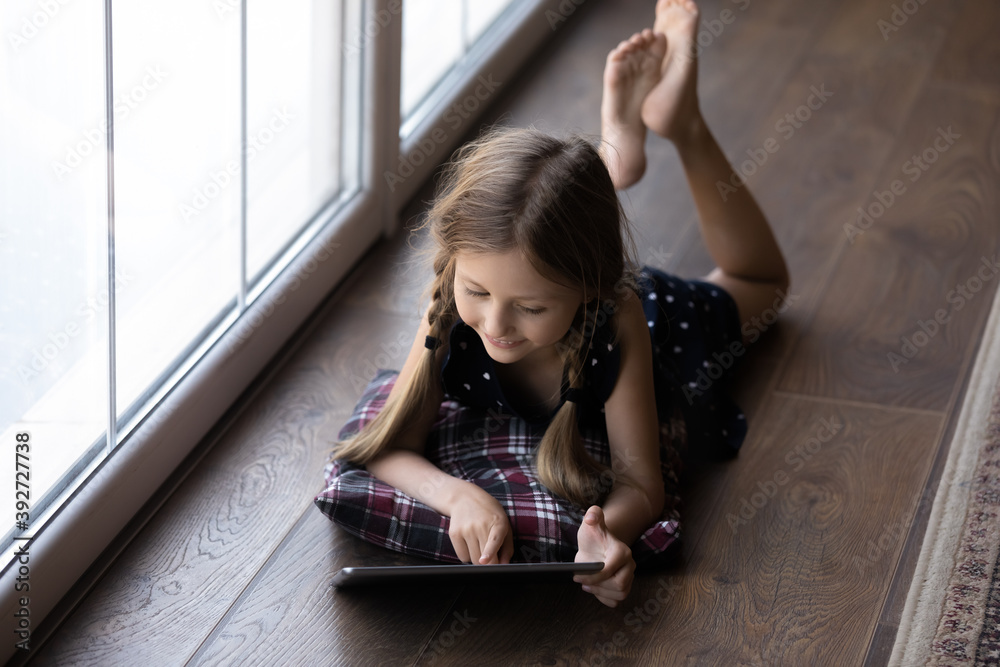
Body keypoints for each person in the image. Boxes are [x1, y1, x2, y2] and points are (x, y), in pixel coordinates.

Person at [330, 0, 789, 608]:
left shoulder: (619, 315)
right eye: (477, 292)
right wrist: (459, 496)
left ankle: (682, 124)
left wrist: (606, 532)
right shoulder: (452, 299)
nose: (495, 324)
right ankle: (614, 161)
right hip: (566, 262)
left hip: (660, 320)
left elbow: (640, 484)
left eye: (531, 308)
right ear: (453, 267)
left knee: (760, 283)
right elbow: (386, 443)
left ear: (589, 290)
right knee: (540, 229)